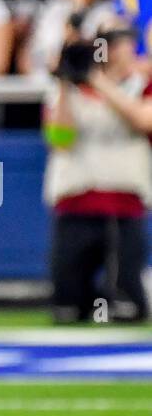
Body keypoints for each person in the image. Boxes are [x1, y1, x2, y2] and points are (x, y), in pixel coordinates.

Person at [44, 26, 151, 323]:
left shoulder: (141, 85)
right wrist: (67, 82)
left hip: (123, 200)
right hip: (76, 197)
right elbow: (60, 139)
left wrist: (98, 81)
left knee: (126, 305)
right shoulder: (64, 92)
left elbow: (143, 120)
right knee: (67, 306)